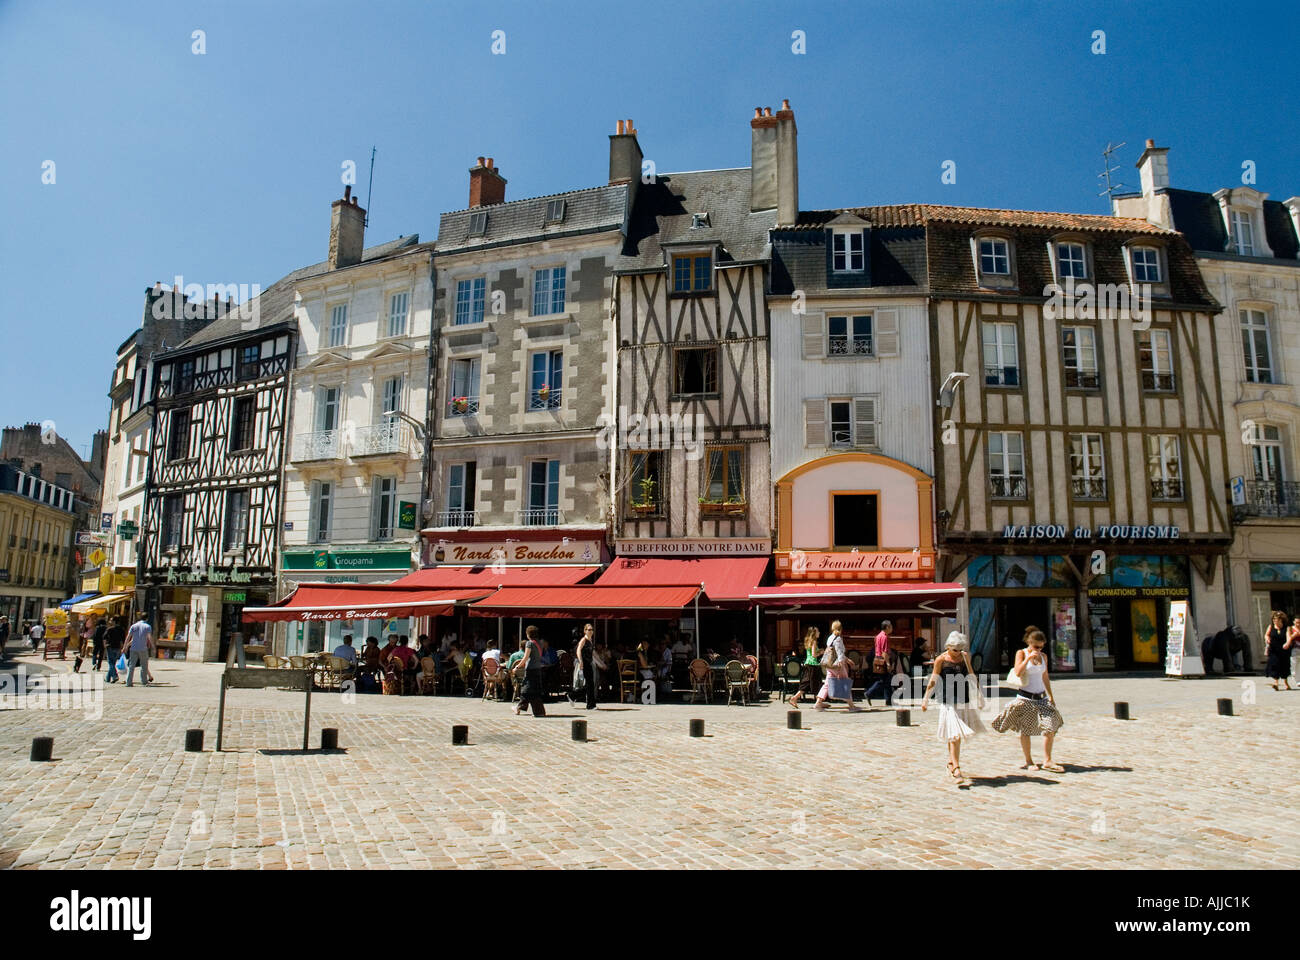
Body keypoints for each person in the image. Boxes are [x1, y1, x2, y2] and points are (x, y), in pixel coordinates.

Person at [991, 626, 1064, 772]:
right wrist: (1028, 658)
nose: (1039, 649)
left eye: (1042, 647)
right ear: (1029, 643)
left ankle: (1047, 760)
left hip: (1041, 698)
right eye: (1036, 646)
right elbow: (1017, 672)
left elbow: (1045, 676)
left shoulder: (1043, 657)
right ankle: (1029, 761)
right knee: (1026, 731)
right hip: (1025, 698)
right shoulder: (1021, 653)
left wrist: (1051, 695)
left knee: (1050, 728)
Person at [920, 631, 985, 783]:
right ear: (948, 646)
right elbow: (933, 680)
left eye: (960, 649)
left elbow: (971, 674)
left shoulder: (964, 657)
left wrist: (980, 695)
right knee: (955, 734)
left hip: (963, 698)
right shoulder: (941, 660)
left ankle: (951, 763)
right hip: (947, 700)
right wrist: (925, 699)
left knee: (953, 734)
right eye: (955, 649)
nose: (958, 653)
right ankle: (956, 768)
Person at [814, 620, 860, 712]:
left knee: (827, 683)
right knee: (844, 683)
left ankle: (818, 702)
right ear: (841, 628)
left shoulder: (830, 638)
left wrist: (847, 659)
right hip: (838, 665)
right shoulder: (838, 639)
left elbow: (833, 652)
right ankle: (851, 705)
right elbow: (839, 653)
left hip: (829, 664)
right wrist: (843, 662)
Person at [513, 625, 547, 717]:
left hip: (530, 669)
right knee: (534, 691)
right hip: (537, 669)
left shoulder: (529, 643)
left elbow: (525, 657)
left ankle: (519, 707)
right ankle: (538, 711)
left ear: (528, 634)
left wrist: (517, 667)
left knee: (526, 689)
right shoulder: (540, 643)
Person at [788, 626, 821, 710]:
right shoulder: (814, 642)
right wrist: (821, 652)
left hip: (808, 664)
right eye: (817, 632)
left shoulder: (809, 641)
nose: (819, 633)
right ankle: (819, 701)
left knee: (806, 683)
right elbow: (814, 655)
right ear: (814, 633)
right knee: (815, 682)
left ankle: (794, 698)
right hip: (813, 664)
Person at [864, 619, 895, 707]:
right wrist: (888, 664)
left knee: (886, 680)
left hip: (877, 659)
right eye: (891, 626)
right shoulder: (885, 637)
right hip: (882, 660)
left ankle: (888, 700)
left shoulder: (878, 636)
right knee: (883, 680)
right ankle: (869, 693)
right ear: (887, 627)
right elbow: (884, 652)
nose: (892, 628)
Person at [1265, 610, 1292, 691]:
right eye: (1274, 619)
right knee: (1274, 664)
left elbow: (1289, 637)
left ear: (1281, 620)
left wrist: (1287, 643)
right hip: (1273, 649)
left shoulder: (1287, 628)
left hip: (1284, 650)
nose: (1275, 621)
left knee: (1284, 666)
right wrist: (1267, 639)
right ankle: (1276, 683)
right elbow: (1266, 634)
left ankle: (1286, 683)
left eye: (1276, 619)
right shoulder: (1271, 627)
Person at [123, 615, 153, 687]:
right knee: (144, 665)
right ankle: (144, 681)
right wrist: (152, 645)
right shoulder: (147, 626)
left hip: (133, 648)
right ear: (146, 618)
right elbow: (149, 637)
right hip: (143, 648)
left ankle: (129, 682)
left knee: (131, 665)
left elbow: (129, 637)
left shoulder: (133, 626)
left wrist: (125, 646)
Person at [574, 622, 597, 710]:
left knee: (590, 684)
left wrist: (601, 664)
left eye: (591, 630)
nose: (590, 631)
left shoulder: (591, 641)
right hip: (585, 663)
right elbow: (578, 650)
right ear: (585, 631)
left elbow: (593, 654)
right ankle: (590, 705)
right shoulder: (584, 640)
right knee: (589, 683)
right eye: (588, 630)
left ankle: (573, 695)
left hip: (589, 663)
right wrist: (580, 661)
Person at [105, 617, 125, 684]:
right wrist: (123, 647)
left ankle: (115, 676)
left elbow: (104, 637)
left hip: (110, 647)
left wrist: (104, 645)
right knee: (113, 663)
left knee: (111, 663)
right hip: (117, 647)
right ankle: (107, 678)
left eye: (111, 620)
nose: (110, 621)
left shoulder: (110, 629)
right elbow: (123, 639)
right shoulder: (121, 629)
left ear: (114, 621)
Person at [1289, 616, 1300, 686]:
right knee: (1294, 664)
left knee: (1299, 665)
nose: (1298, 624)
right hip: (1294, 649)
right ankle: (1294, 677)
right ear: (1293, 622)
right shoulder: (1290, 629)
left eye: (1299, 622)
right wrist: (1294, 635)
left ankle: (1298, 680)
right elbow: (1288, 638)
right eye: (1296, 622)